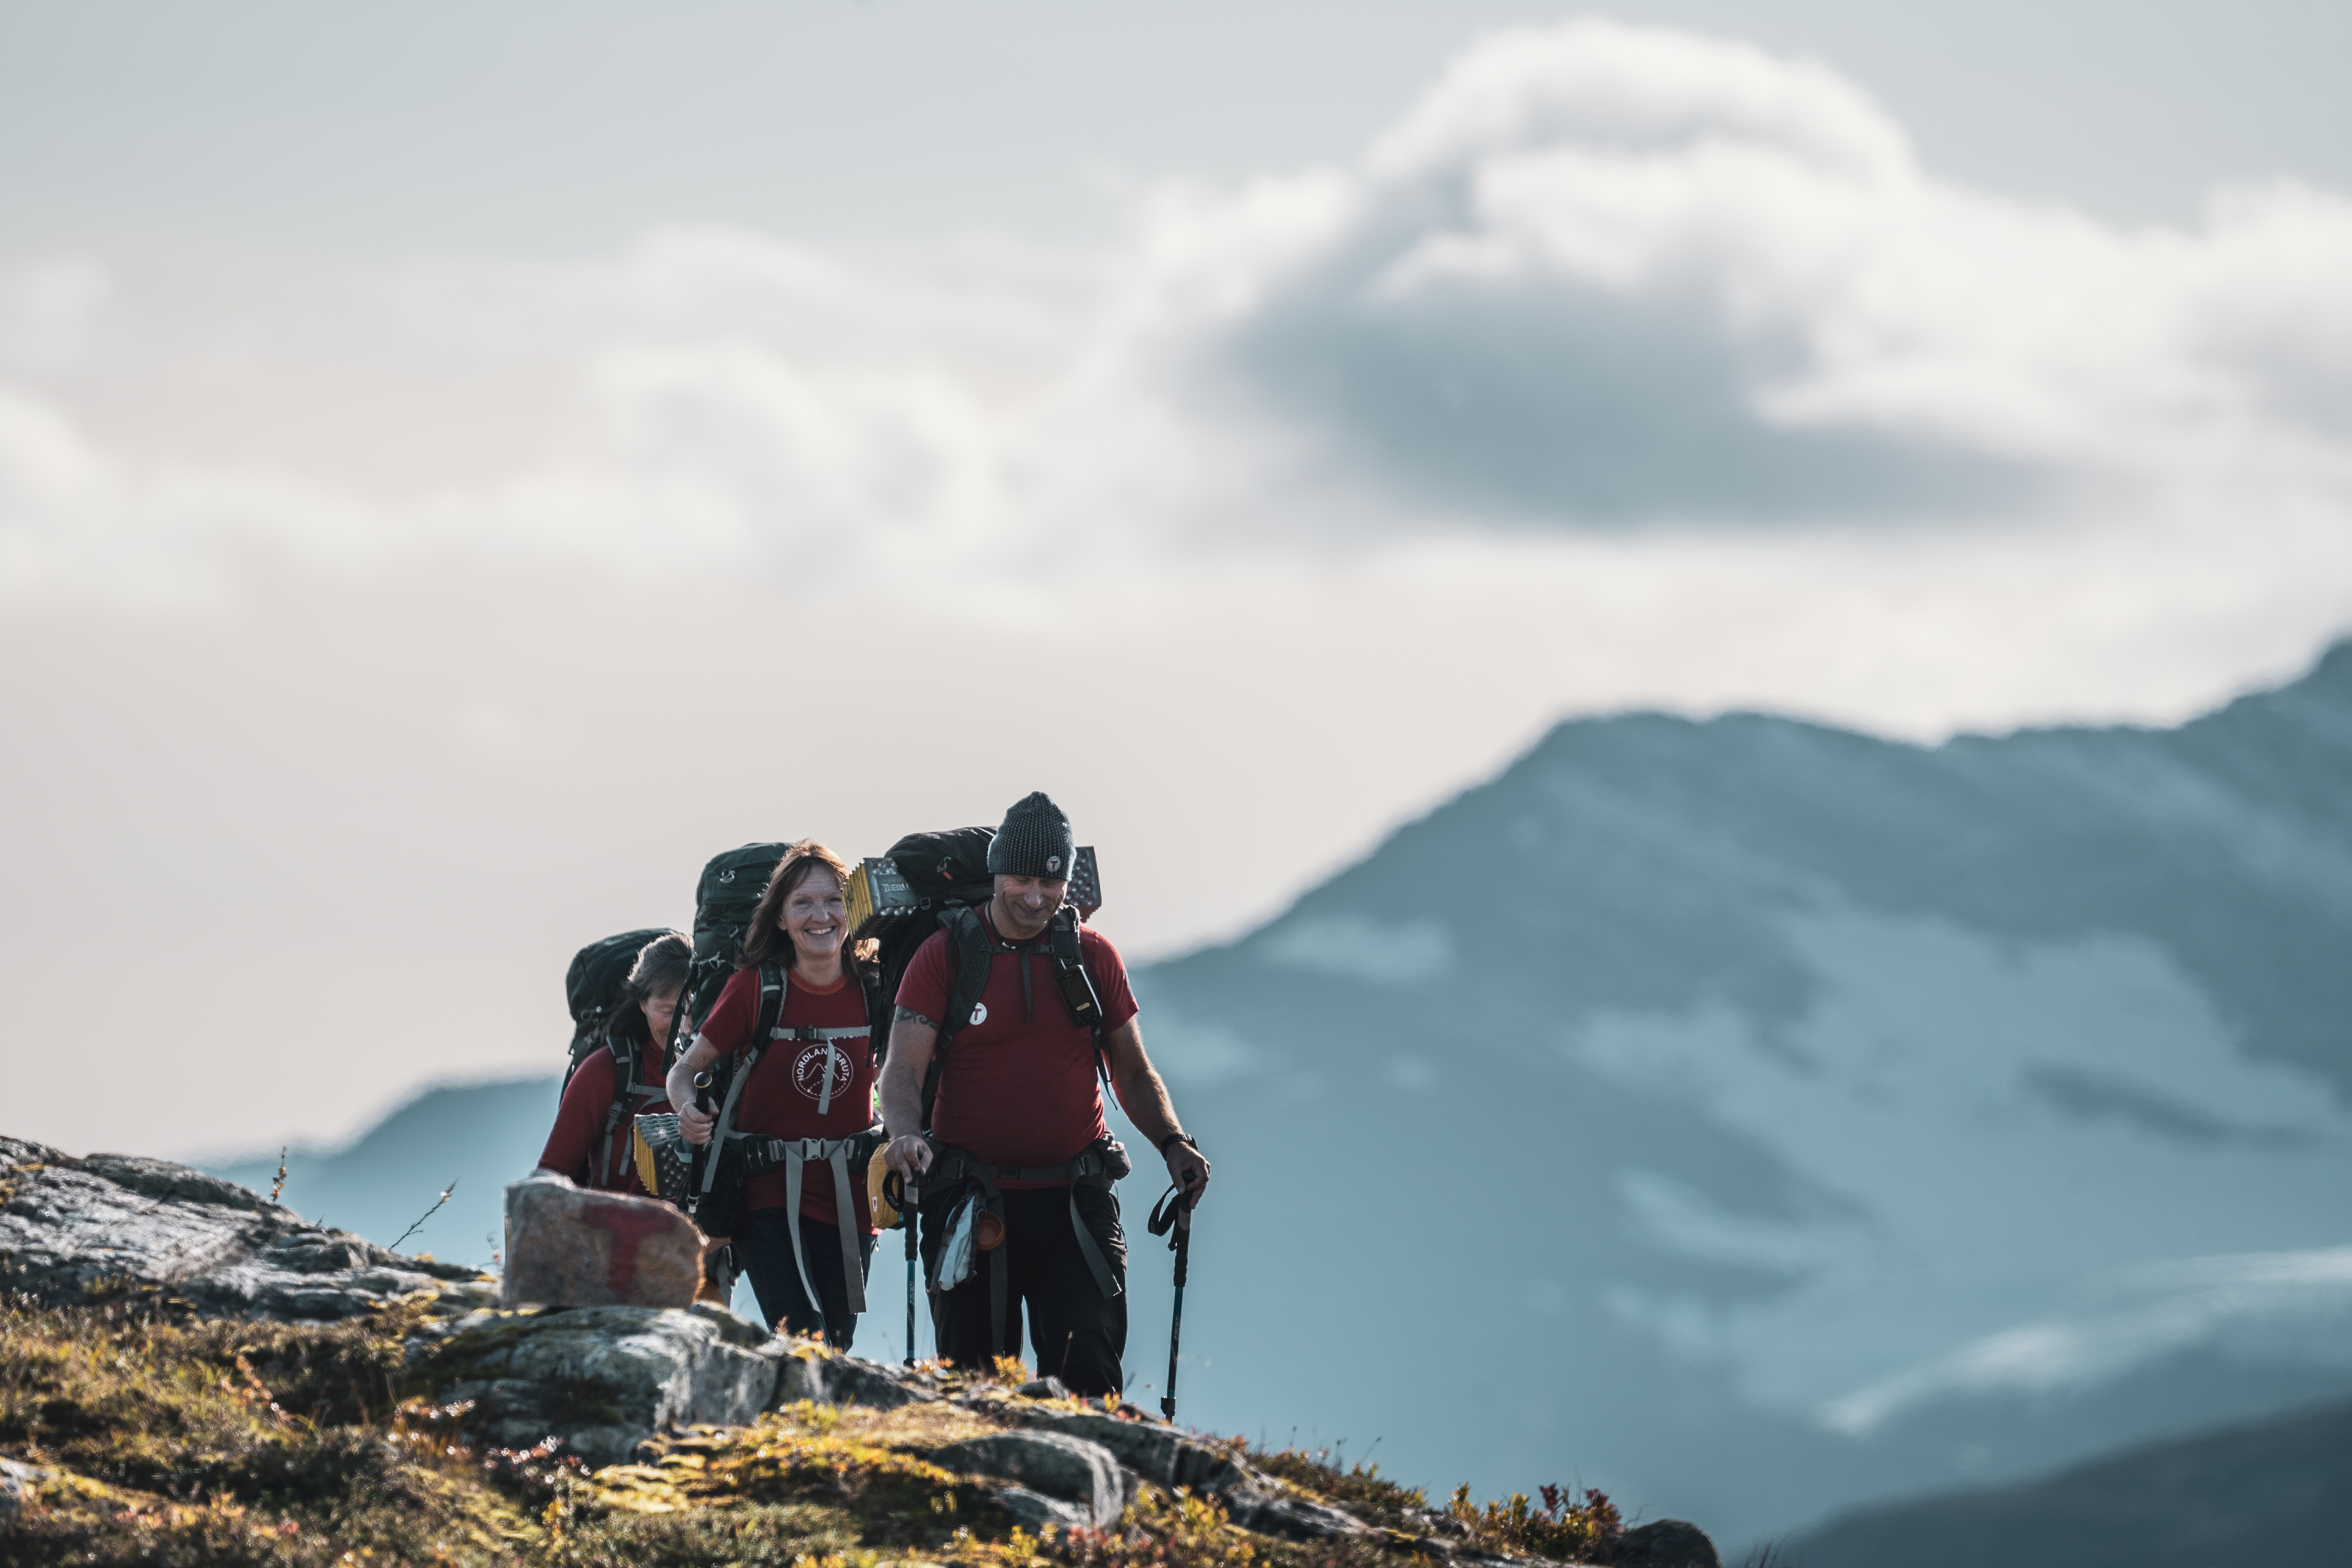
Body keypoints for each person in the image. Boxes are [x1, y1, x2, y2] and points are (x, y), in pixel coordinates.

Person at [878, 791, 1210, 1396]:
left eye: (1050, 883)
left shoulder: (1092, 957)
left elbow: (1133, 1071)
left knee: (1089, 1384)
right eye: (1023, 880)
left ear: (1067, 883)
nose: (1035, 897)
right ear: (997, 872)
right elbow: (902, 1070)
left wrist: (1173, 1142)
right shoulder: (944, 955)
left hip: (1074, 1203)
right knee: (975, 1388)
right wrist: (903, 1134)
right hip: (969, 1198)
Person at [668, 840, 880, 1347]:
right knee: (803, 1338)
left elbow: (907, 1073)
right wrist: (686, 1109)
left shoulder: (876, 988)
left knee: (837, 1344)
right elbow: (685, 1070)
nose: (820, 916)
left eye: (833, 900)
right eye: (802, 903)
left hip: (849, 1199)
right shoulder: (755, 988)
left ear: (851, 909)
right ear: (781, 918)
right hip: (766, 1196)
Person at [538, 932, 690, 1194]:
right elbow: (551, 1176)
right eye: (668, 1011)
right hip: (613, 1222)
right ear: (642, 1003)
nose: (684, 1025)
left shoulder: (730, 1070)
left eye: (694, 1009)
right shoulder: (606, 1073)